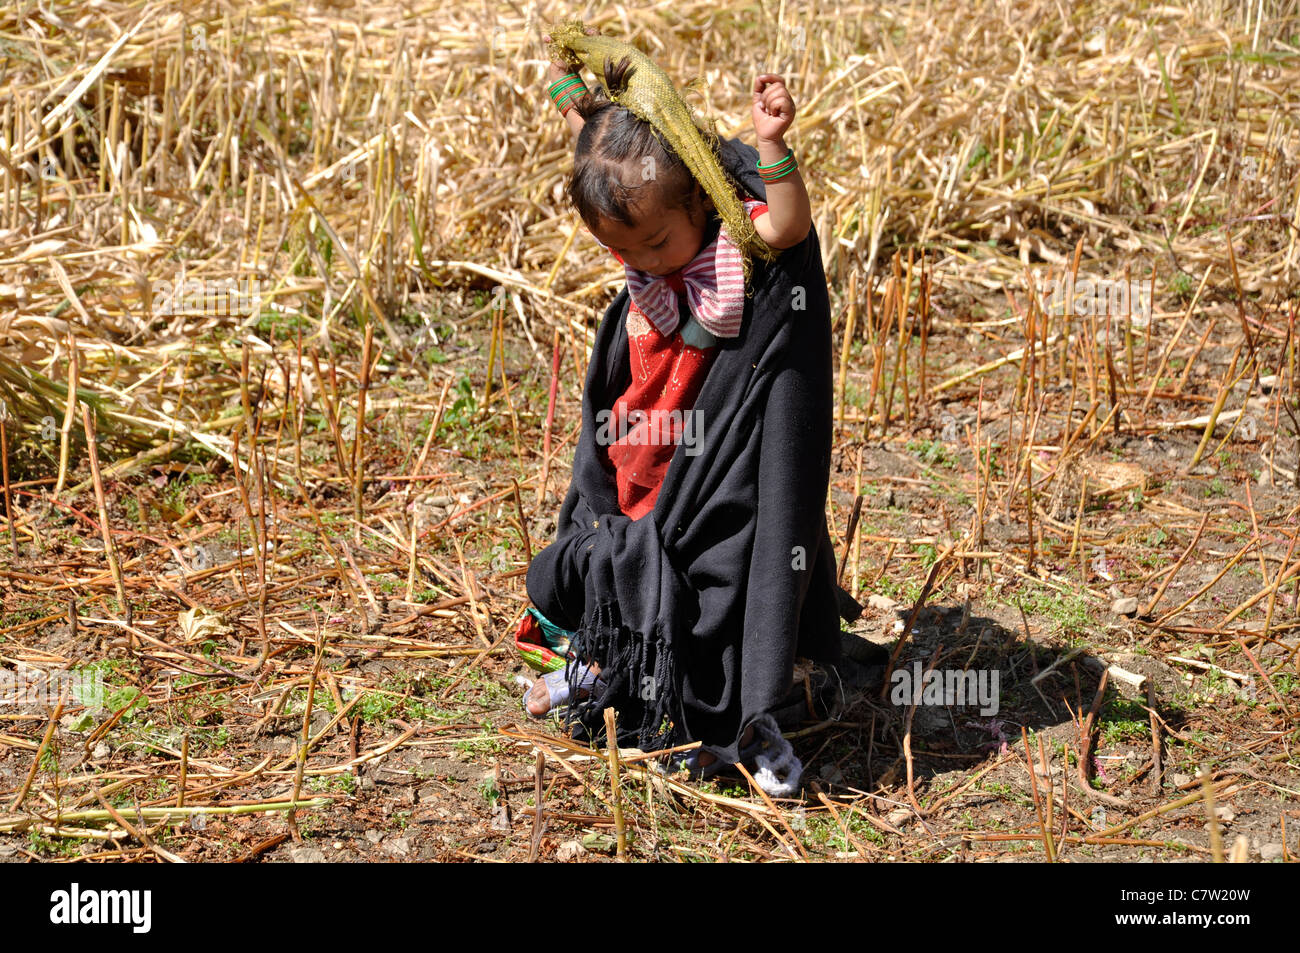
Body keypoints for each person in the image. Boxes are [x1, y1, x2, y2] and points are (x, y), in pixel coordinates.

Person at [521, 35, 850, 795]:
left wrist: (773, 146)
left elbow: (789, 229)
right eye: (626, 253)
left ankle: (735, 708)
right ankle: (612, 670)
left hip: (714, 439)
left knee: (720, 560)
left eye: (662, 244)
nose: (653, 265)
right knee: (629, 538)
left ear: (700, 200)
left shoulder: (733, 232)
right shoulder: (648, 237)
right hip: (648, 426)